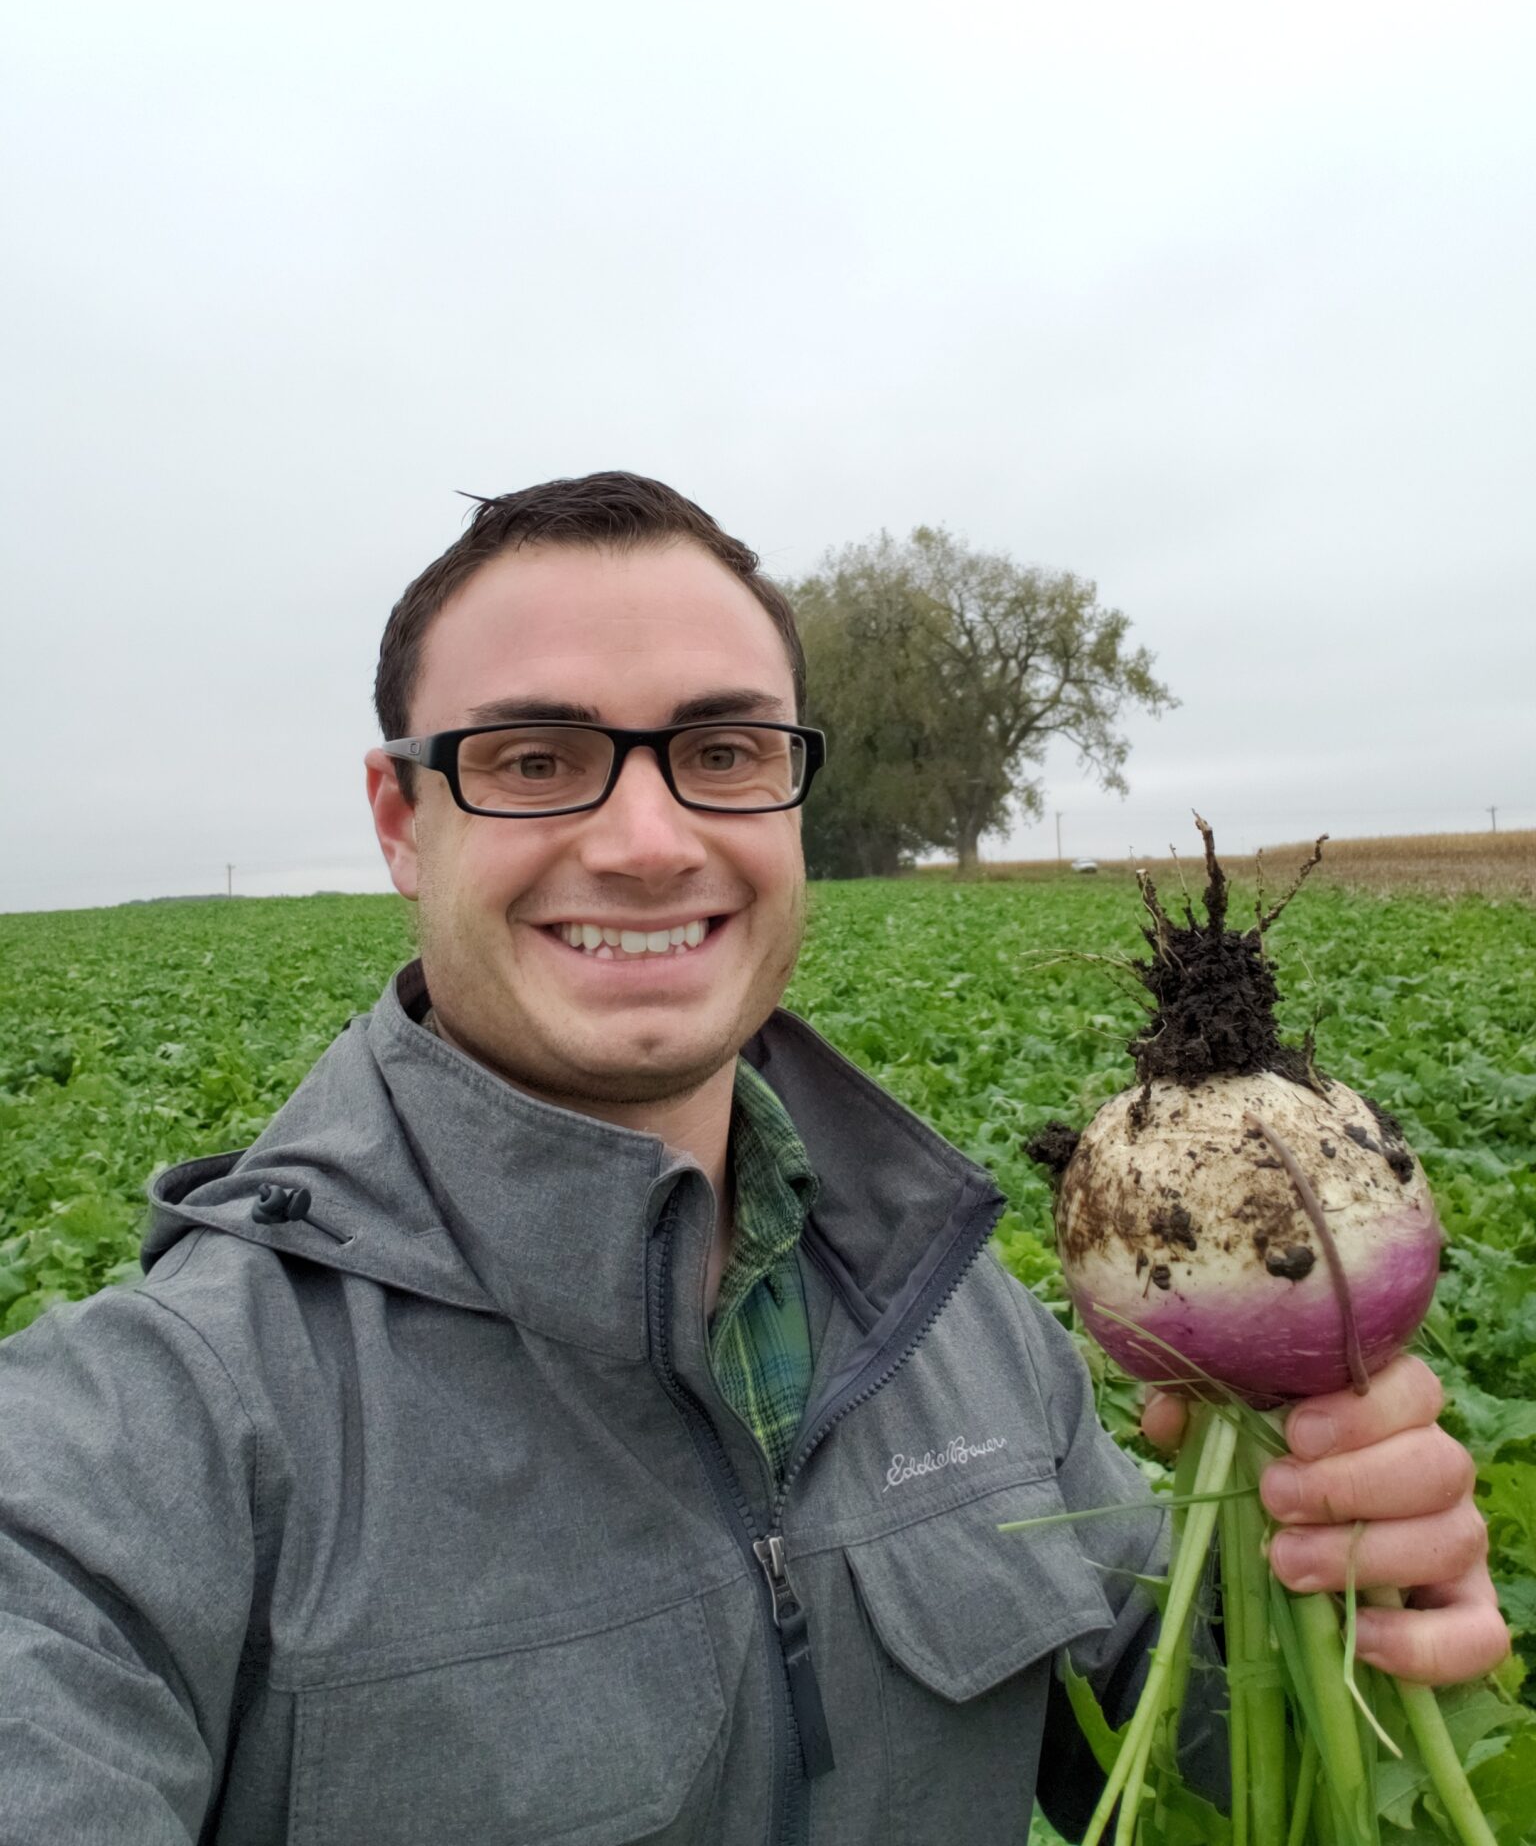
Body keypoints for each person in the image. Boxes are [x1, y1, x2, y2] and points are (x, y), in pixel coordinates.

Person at [0, 473, 1505, 1844]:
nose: (650, 840)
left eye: (722, 750)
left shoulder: (965, 1324)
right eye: (535, 756)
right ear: (406, 820)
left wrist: (1339, 1612)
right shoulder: (145, 1441)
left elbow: (1187, 1764)